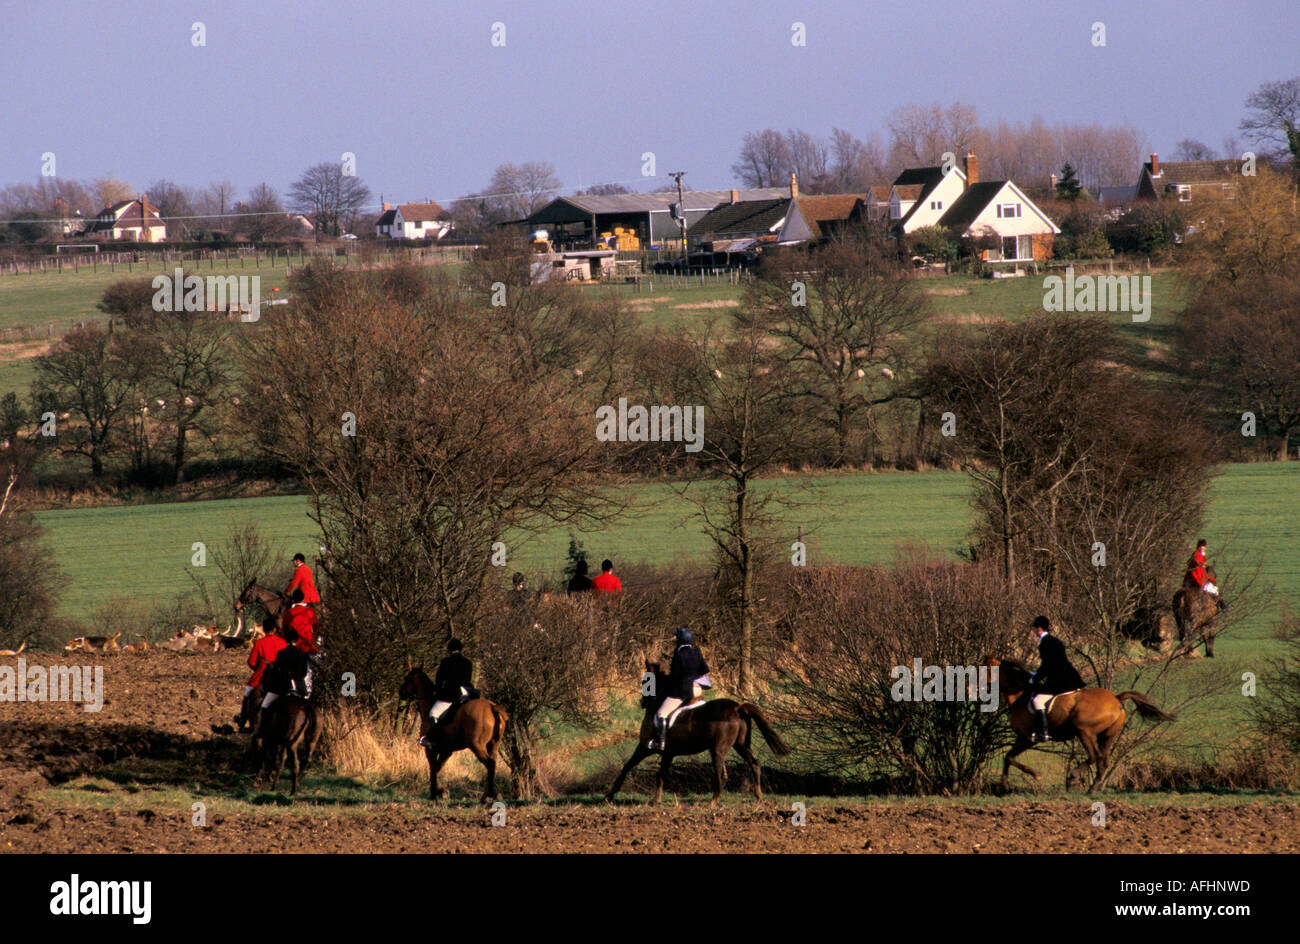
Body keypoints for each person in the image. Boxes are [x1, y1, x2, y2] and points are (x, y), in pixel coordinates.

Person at [649, 627, 710, 752]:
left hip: (684, 691)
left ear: (679, 640)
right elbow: (704, 670)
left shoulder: (679, 654)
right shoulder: (697, 652)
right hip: (697, 690)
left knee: (661, 713)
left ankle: (660, 741)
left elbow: (675, 677)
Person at [1026, 616, 1084, 744]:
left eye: (1035, 629)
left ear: (1039, 629)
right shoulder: (1056, 641)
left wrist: (1034, 679)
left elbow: (1047, 665)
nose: (1034, 631)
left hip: (1060, 680)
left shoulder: (1045, 643)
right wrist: (1037, 673)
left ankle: (1044, 732)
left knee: (1037, 700)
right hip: (1072, 677)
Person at [251, 625, 311, 739]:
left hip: (283, 687)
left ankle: (261, 730)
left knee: (264, 705)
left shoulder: (281, 653)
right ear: (297, 640)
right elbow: (304, 673)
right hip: (300, 689)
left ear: (286, 640)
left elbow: (277, 671)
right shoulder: (303, 654)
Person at [419, 638, 474, 749]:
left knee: (433, 713)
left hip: (451, 695)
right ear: (460, 649)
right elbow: (468, 679)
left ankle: (433, 740)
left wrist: (437, 692)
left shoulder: (446, 662)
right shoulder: (468, 663)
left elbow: (439, 680)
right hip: (466, 695)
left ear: (449, 649)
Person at [244, 620, 288, 720]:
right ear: (275, 629)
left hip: (261, 677)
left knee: (247, 693)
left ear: (263, 629)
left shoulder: (259, 643)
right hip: (279, 678)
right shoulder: (283, 643)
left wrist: (257, 668)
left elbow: (251, 662)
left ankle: (243, 718)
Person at [283, 588, 318, 695]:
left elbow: (284, 631)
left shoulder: (288, 613)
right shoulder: (310, 612)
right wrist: (313, 641)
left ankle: (292, 688)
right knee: (312, 669)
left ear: (293, 600)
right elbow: (316, 628)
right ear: (303, 599)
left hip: (294, 647)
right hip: (308, 646)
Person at [1184, 538, 1229, 610]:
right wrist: (1199, 564)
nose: (1202, 548)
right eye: (1201, 547)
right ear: (1198, 547)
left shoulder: (1201, 555)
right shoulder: (1196, 554)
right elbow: (1195, 561)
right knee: (1214, 590)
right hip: (1196, 577)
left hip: (1194, 576)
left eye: (1203, 547)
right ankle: (1223, 606)